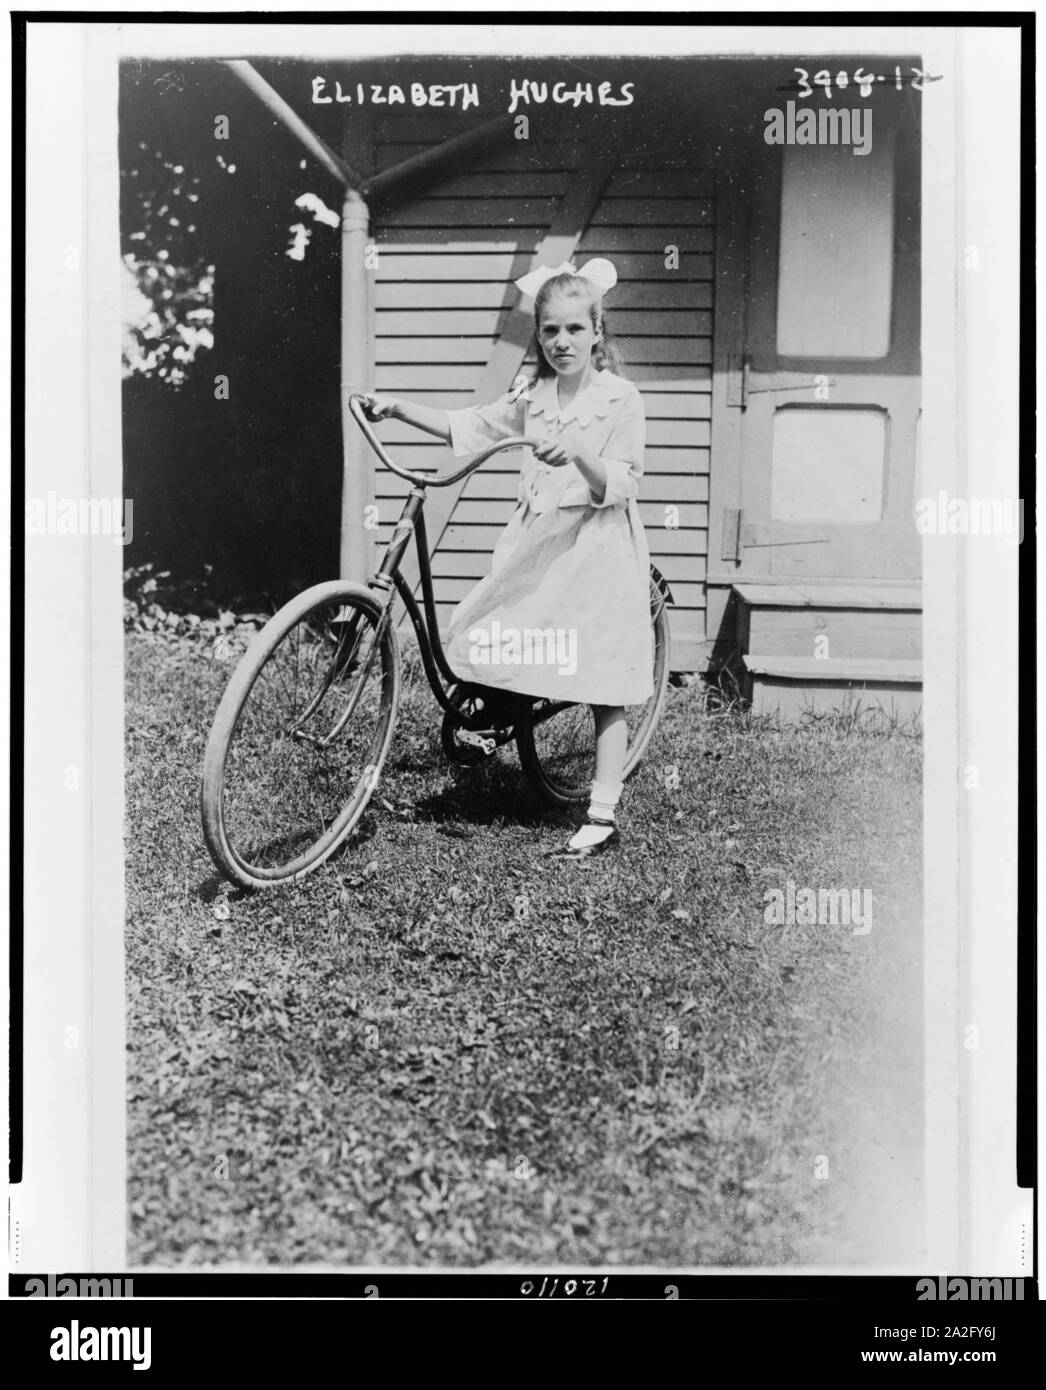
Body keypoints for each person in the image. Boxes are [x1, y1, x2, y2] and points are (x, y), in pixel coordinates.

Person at [361, 257, 652, 858]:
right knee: (492, 629)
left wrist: (576, 448)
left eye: (575, 329)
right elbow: (468, 426)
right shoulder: (532, 393)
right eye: (550, 330)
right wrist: (396, 407)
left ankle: (600, 815)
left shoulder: (621, 399)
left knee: (601, 679)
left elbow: (621, 483)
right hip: (537, 544)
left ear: (598, 330)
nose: (562, 341)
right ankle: (497, 719)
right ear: (538, 335)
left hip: (594, 549)